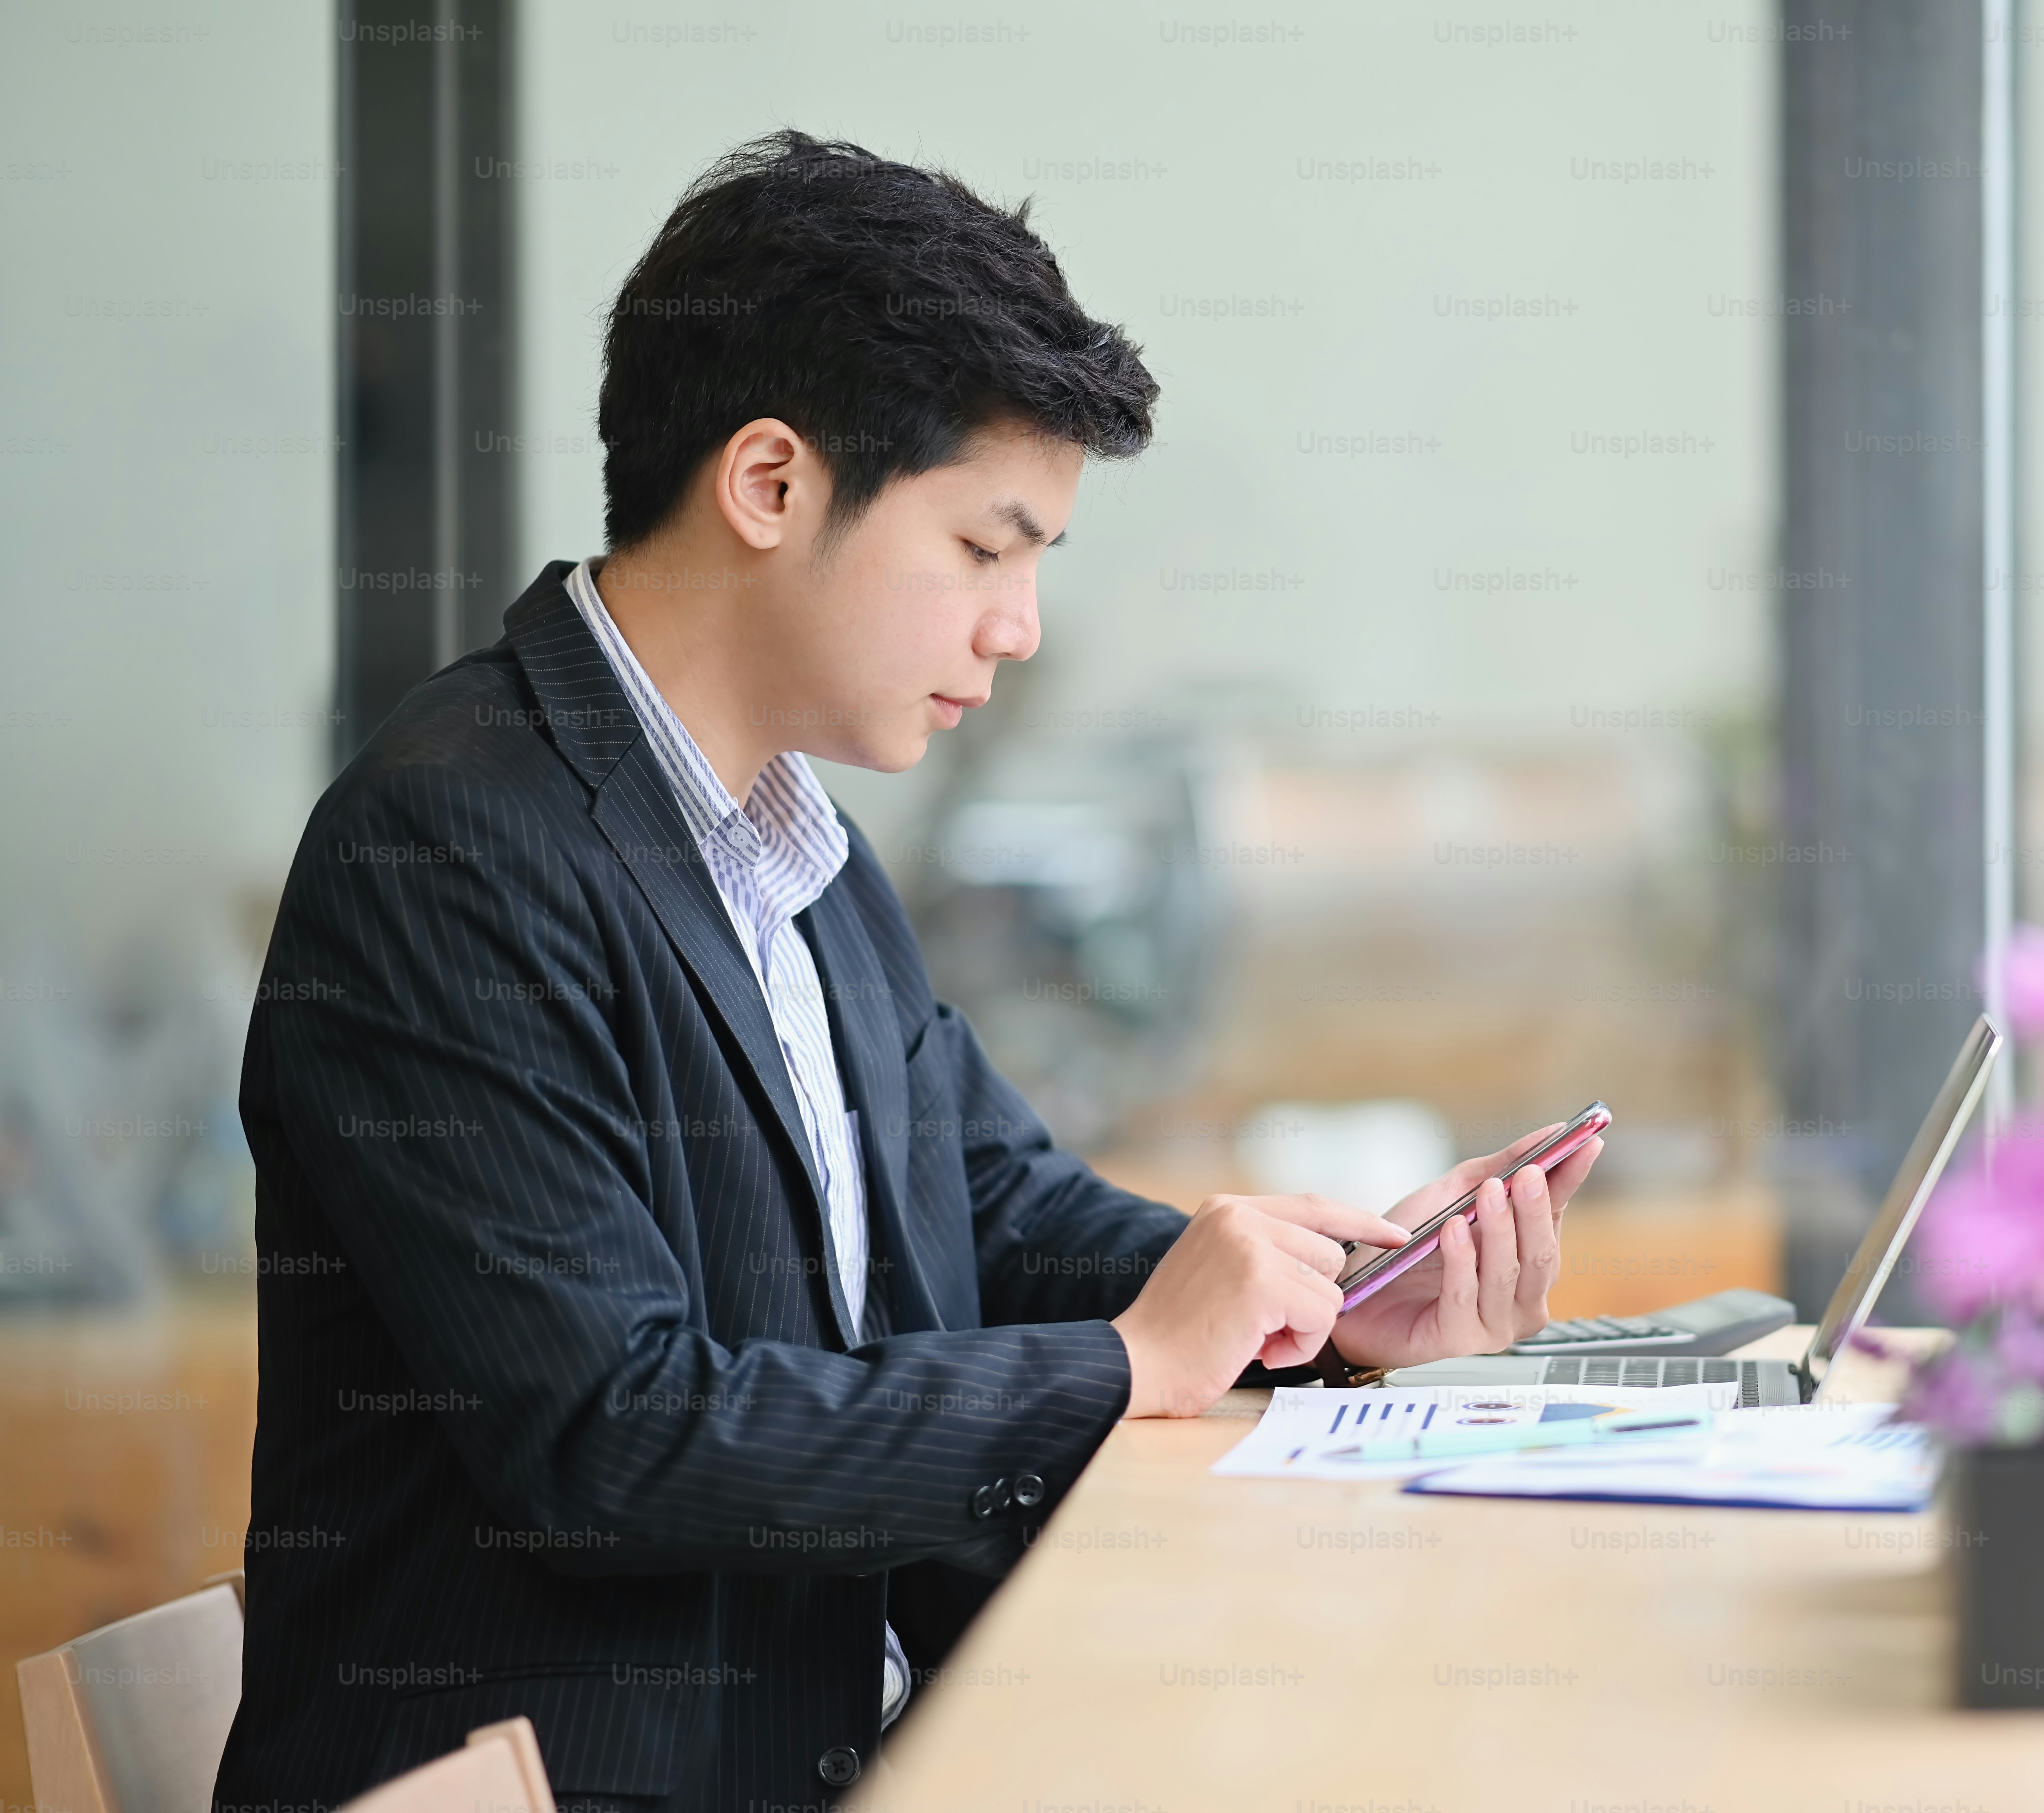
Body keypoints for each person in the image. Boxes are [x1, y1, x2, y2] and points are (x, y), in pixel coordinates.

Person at [211, 131, 1601, 1812]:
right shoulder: (449, 846)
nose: (1017, 624)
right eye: (985, 548)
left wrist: (1339, 1303)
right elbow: (614, 1437)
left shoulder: (796, 843)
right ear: (772, 484)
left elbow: (1004, 1217)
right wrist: (1134, 1361)